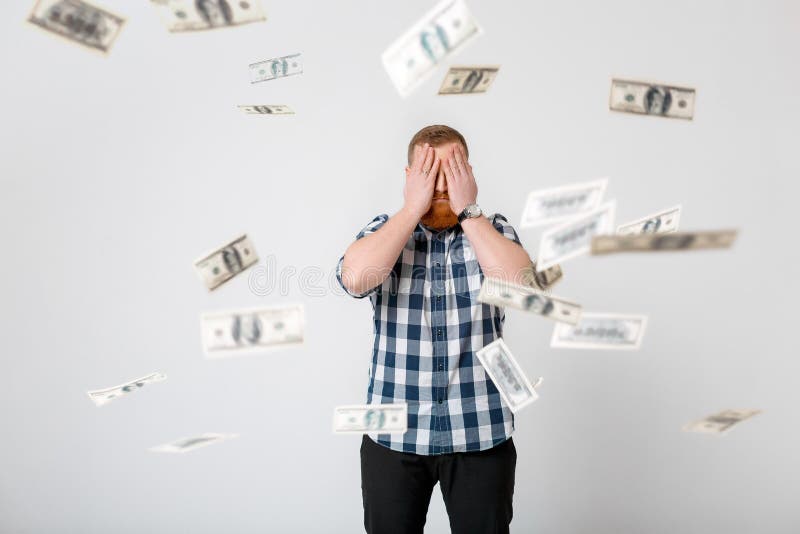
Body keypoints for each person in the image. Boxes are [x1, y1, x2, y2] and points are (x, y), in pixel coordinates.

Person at [336, 125, 559, 534]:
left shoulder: (495, 232)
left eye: (451, 171)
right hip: (394, 439)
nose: (440, 185)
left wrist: (468, 210)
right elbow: (354, 279)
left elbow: (522, 286)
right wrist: (410, 210)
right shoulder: (384, 231)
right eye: (428, 172)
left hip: (481, 432)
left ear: (469, 174)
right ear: (408, 177)